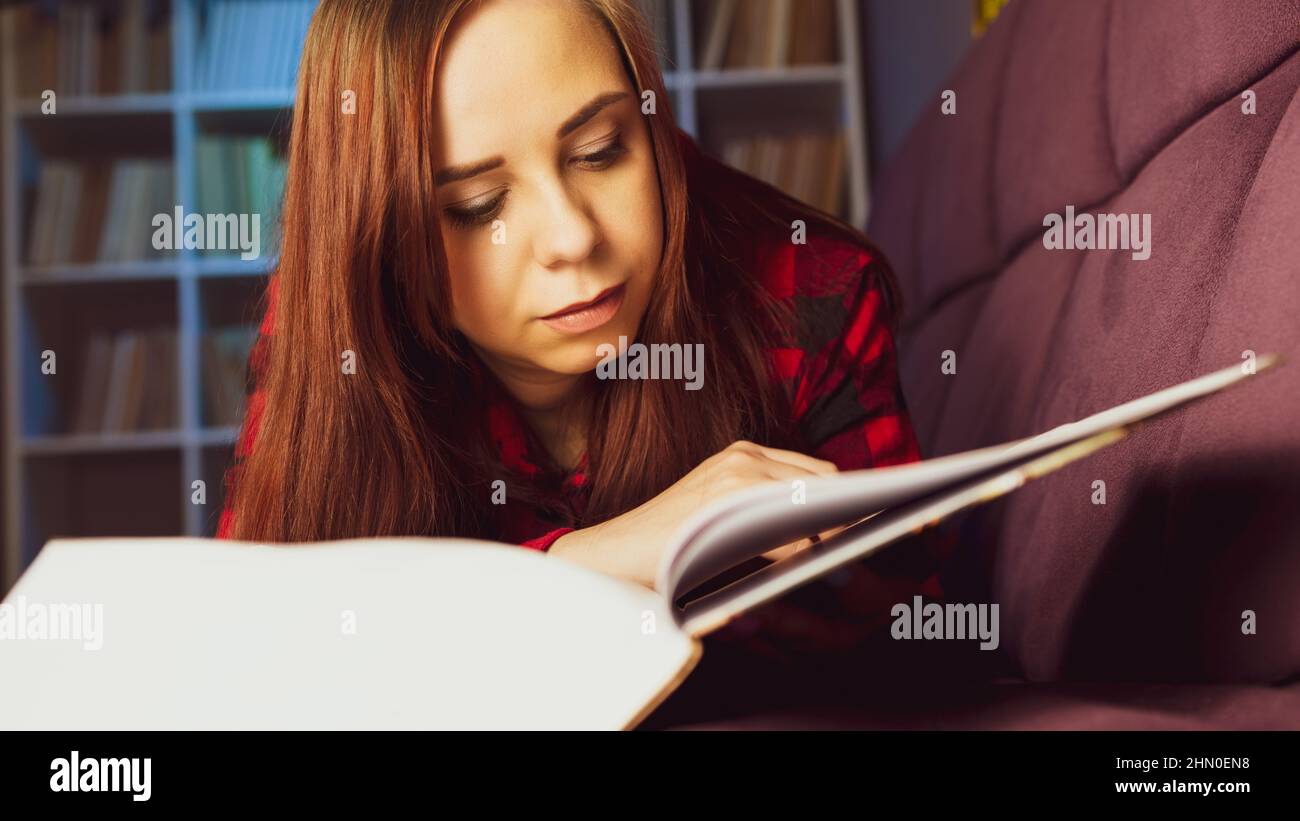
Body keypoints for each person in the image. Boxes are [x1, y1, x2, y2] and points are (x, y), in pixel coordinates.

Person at [217, 0, 946, 671]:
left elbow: (903, 646)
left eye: (600, 151)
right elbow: (265, 653)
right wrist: (586, 565)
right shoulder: (332, 327)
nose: (571, 236)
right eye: (477, 204)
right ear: (383, 242)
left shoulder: (807, 291)